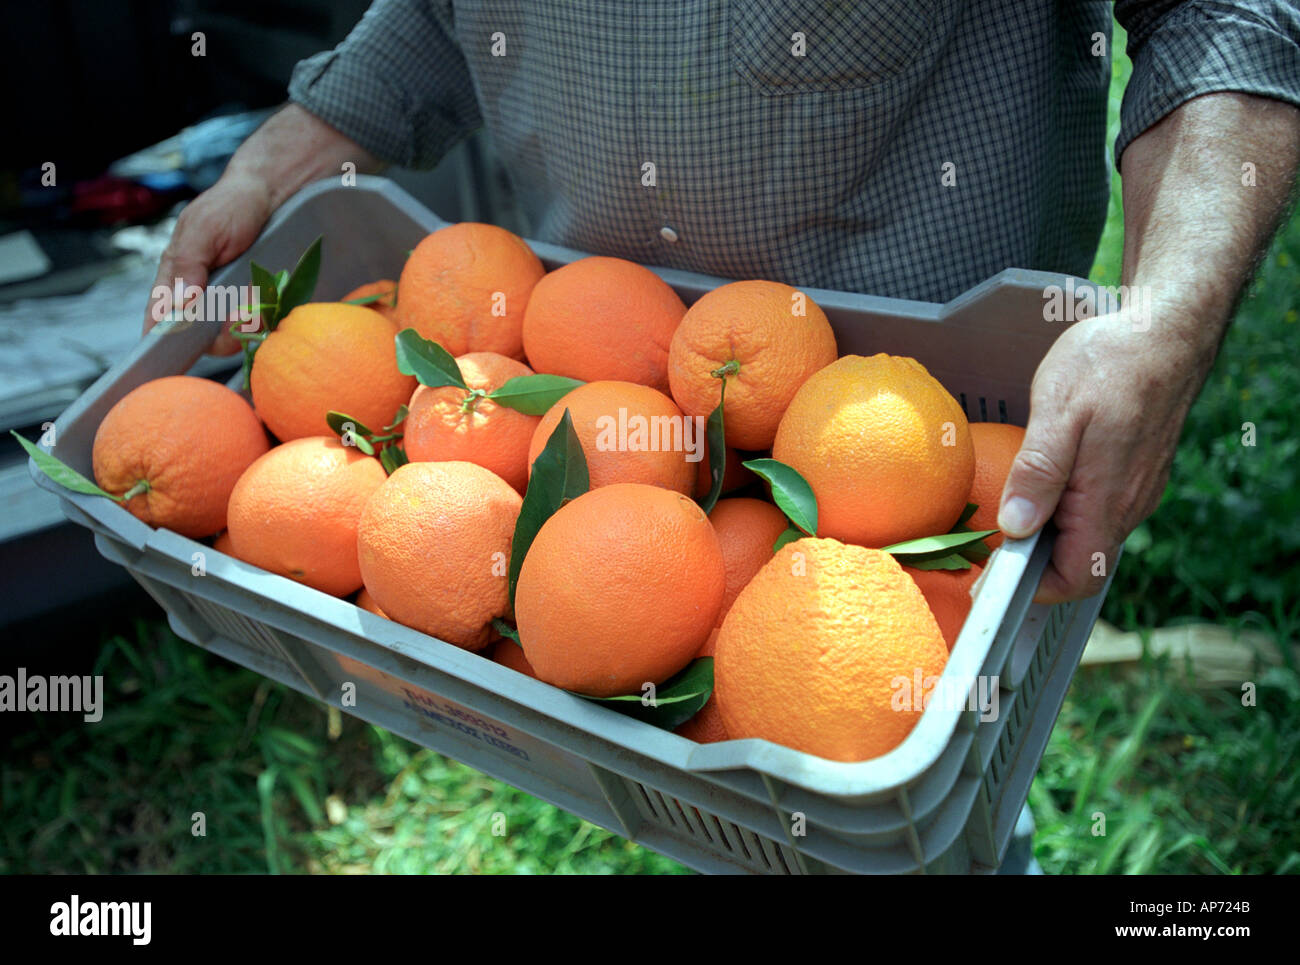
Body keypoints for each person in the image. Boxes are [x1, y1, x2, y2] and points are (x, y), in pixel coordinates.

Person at [142, 1, 1299, 869]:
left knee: (924, 790)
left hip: (937, 425)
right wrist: (285, 153)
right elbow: (448, 17)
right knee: (750, 778)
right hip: (602, 383)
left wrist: (1166, 324)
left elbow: (1223, 14)